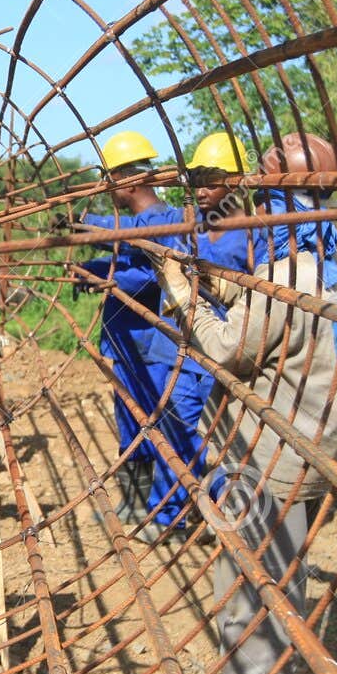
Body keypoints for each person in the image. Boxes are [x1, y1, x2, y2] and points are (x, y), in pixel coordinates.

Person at [158, 131, 337, 674]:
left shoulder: (290, 272)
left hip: (271, 456)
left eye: (265, 201)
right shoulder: (329, 265)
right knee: (282, 565)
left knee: (254, 574)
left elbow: (228, 346)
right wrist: (219, 284)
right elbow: (277, 321)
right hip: (313, 444)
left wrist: (184, 293)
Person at [76, 130, 212, 542]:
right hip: (125, 341)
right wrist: (93, 264)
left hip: (150, 342)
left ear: (130, 181)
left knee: (154, 421)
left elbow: (149, 276)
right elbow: (124, 245)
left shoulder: (164, 221)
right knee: (130, 421)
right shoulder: (138, 225)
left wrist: (98, 272)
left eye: (111, 179)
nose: (107, 188)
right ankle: (135, 502)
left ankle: (171, 508)